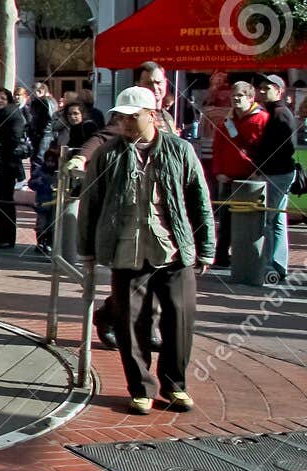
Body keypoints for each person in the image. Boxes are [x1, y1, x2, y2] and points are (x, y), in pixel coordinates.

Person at [77, 86, 215, 415]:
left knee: (179, 320)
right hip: (126, 251)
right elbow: (90, 204)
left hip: (173, 250)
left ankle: (175, 385)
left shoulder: (180, 150)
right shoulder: (108, 154)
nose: (124, 121)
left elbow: (200, 200)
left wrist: (206, 248)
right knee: (131, 323)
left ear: (151, 115)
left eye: (131, 116)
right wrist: (87, 250)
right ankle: (140, 388)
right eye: (120, 116)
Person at [211, 80, 268, 268]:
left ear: (251, 98)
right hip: (227, 177)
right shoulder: (226, 121)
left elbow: (265, 150)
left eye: (240, 95)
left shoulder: (262, 119)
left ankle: (245, 256)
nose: (235, 99)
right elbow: (217, 148)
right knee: (225, 219)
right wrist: (218, 171)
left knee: (248, 220)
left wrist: (257, 171)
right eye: (233, 95)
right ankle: (221, 255)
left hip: (250, 178)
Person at [256, 74, 299, 281]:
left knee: (268, 220)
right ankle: (279, 265)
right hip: (280, 172)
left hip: (277, 173)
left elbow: (283, 147)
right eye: (261, 87)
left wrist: (261, 161)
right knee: (278, 220)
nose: (262, 91)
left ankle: (268, 266)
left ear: (279, 90)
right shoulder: (276, 112)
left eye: (267, 88)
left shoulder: (280, 114)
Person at [0, 87, 30, 249]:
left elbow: (15, 139)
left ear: (8, 99)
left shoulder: (14, 115)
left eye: (2, 98)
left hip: (8, 164)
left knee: (6, 201)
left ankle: (8, 238)